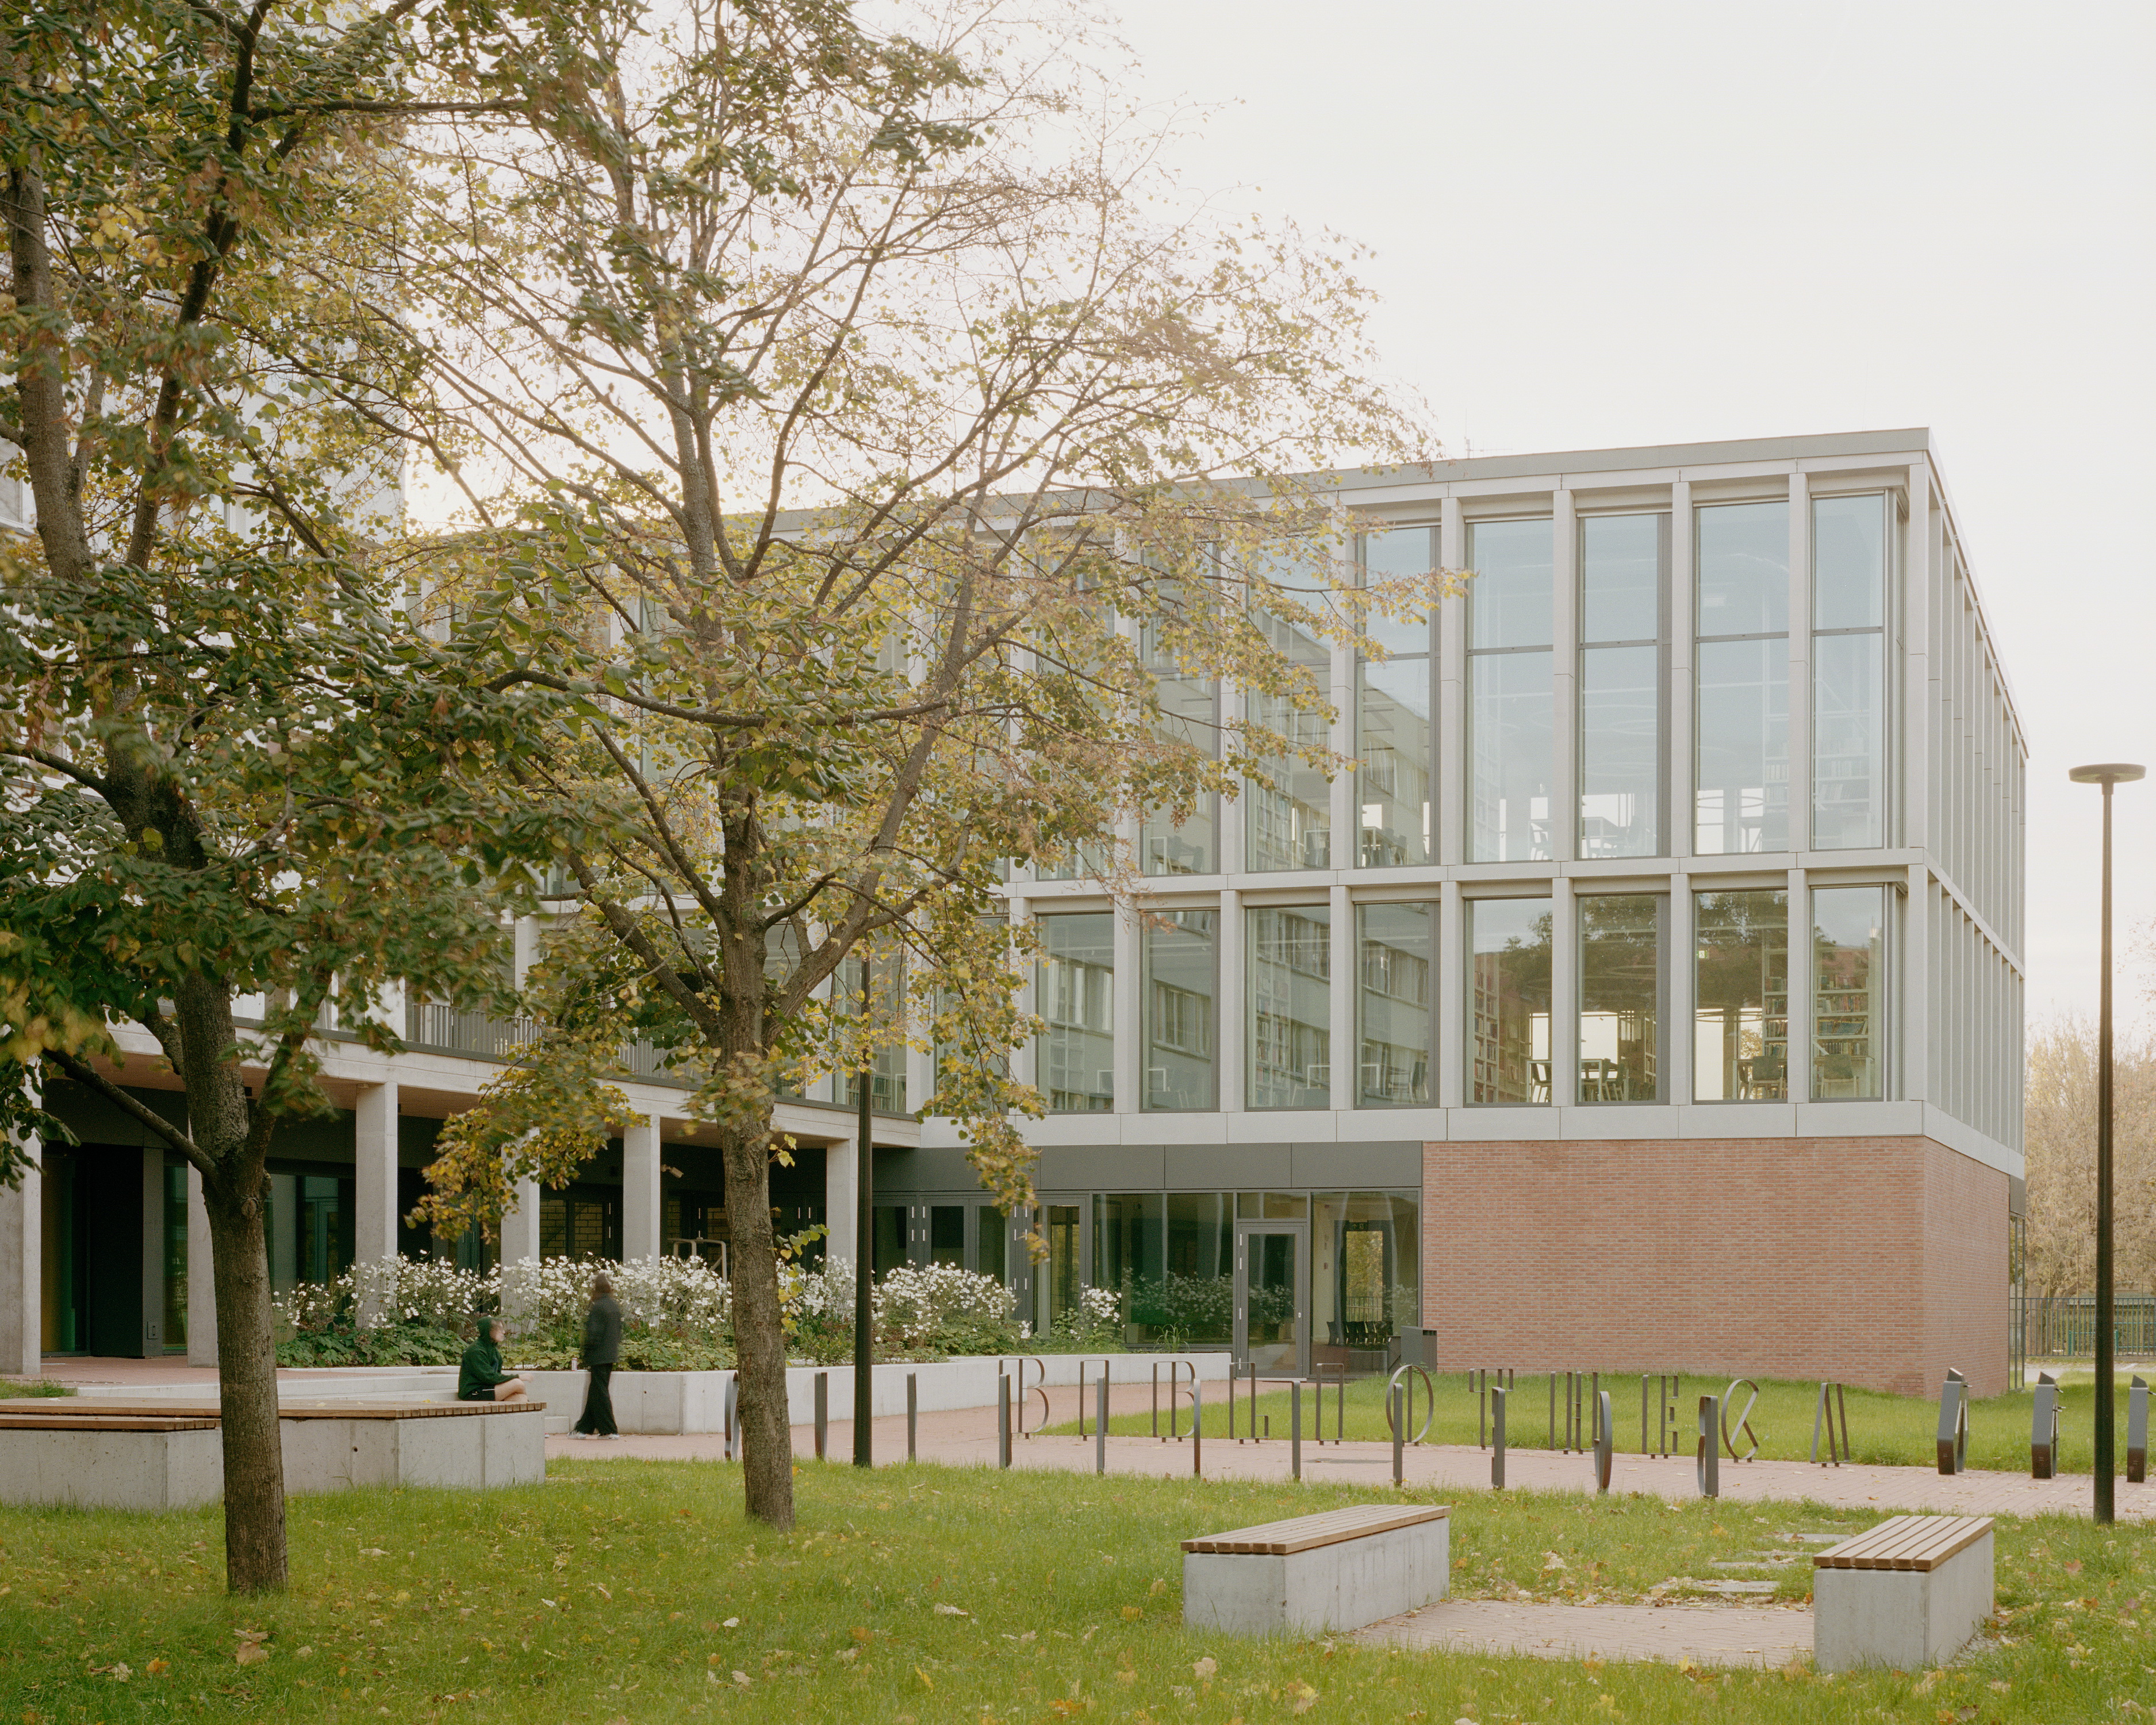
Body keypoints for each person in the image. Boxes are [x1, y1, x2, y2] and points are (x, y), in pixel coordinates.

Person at [573, 1272, 623, 1439]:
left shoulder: (598, 1307)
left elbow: (594, 1333)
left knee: (599, 1393)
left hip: (598, 1356)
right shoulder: (614, 1306)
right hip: (610, 1355)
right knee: (597, 1391)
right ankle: (583, 1428)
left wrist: (586, 1352)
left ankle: (609, 1430)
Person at [457, 1315, 530, 1402]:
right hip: (474, 1392)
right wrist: (517, 1377)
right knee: (518, 1384)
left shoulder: (493, 1350)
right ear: (488, 1331)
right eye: (500, 1329)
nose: (504, 1332)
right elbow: (489, 1377)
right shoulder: (475, 1350)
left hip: (488, 1388)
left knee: (521, 1398)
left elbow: (496, 1376)